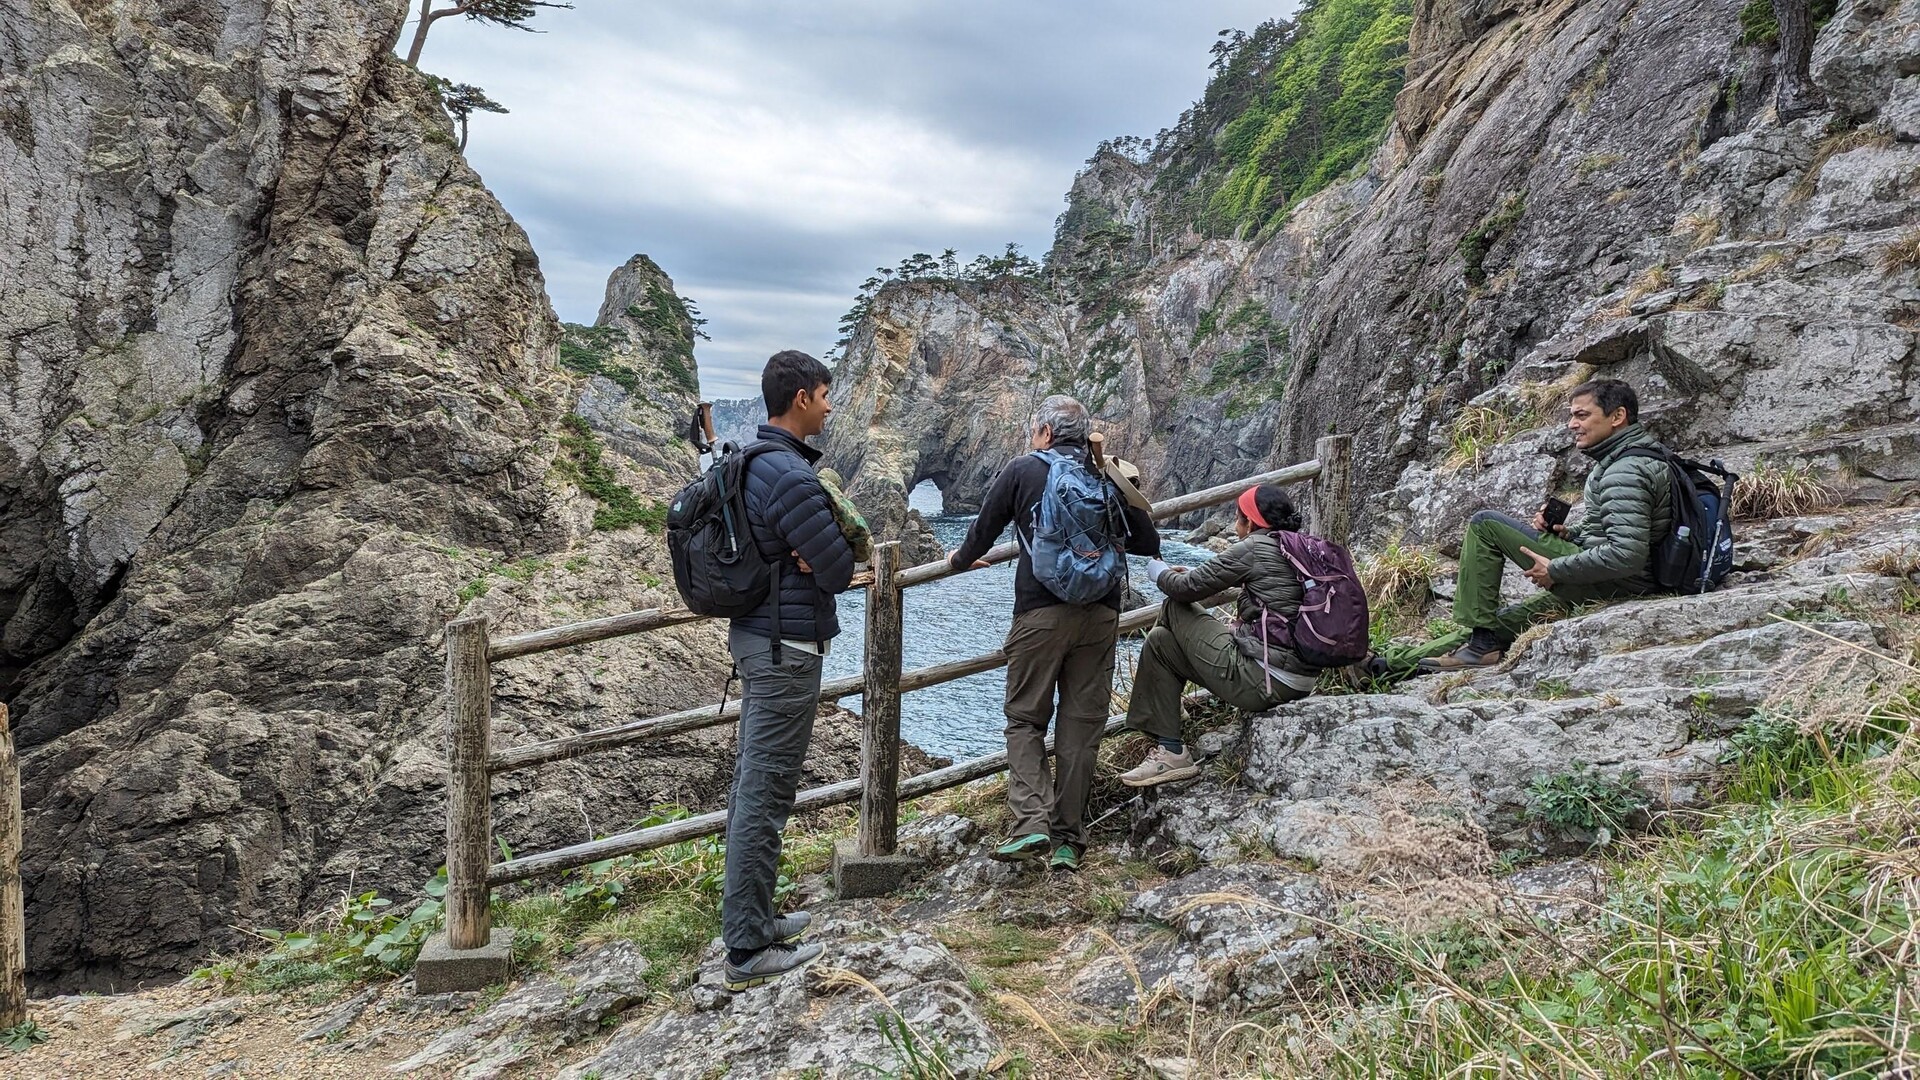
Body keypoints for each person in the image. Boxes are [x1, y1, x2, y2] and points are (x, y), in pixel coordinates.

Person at [947, 396, 1159, 873]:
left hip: (1039, 614)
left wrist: (958, 562)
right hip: (1100, 614)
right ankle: (1068, 840)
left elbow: (981, 534)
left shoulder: (1023, 469)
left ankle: (1031, 823)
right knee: (1081, 726)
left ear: (1045, 432)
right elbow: (1148, 542)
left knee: (1025, 719)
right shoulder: (1105, 472)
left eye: (1034, 431)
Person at [721, 350, 856, 991]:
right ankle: (747, 949)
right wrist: (824, 554)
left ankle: (757, 920)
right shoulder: (791, 478)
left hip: (757, 640)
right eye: (825, 395)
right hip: (785, 651)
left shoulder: (751, 461)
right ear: (801, 398)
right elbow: (838, 571)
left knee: (754, 787)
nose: (829, 407)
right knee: (765, 795)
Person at [1410, 378, 1673, 672]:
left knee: (1486, 524)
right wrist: (1568, 534)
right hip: (1620, 580)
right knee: (1495, 626)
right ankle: (1386, 665)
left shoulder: (1625, 470)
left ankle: (1482, 648)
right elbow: (1607, 530)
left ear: (1617, 416)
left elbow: (1627, 554)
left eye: (1582, 415)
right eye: (1572, 416)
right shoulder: (1625, 459)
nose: (1572, 424)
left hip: (1620, 584)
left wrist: (1555, 569)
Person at [1119, 484, 1319, 786]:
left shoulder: (1254, 547)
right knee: (1160, 642)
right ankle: (1169, 739)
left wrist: (1158, 571)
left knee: (1174, 606)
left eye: (1238, 519)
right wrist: (1189, 575)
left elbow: (1184, 589)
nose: (1236, 526)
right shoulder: (1299, 547)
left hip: (1264, 682)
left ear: (1250, 522)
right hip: (1300, 678)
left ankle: (1168, 726)